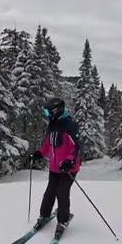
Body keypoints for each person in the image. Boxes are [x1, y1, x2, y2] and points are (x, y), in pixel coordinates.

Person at [30, 97, 83, 234]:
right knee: (50, 192)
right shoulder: (52, 125)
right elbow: (48, 145)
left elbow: (77, 146)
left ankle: (63, 220)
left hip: (68, 168)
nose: (47, 115)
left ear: (57, 111)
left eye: (48, 112)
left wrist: (70, 160)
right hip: (54, 167)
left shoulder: (69, 125)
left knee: (62, 192)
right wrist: (39, 153)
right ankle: (44, 216)